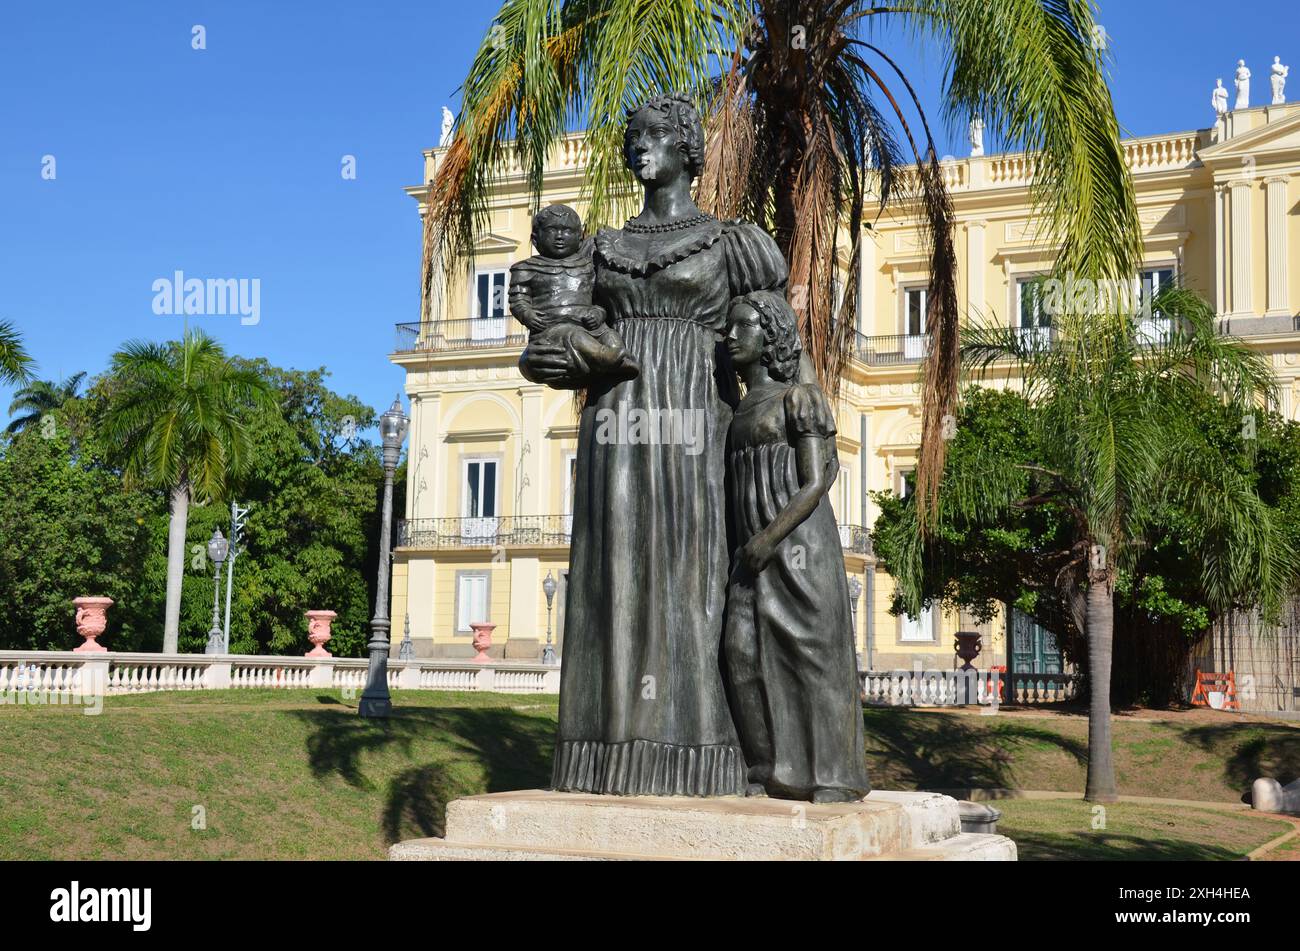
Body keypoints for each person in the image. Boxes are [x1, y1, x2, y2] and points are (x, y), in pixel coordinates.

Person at [523, 94, 793, 797]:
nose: (640, 146)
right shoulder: (600, 249)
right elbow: (545, 340)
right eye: (632, 136)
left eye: (655, 135)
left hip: (696, 430)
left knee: (691, 578)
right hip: (616, 427)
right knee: (614, 573)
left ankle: (703, 753)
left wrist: (787, 433)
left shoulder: (732, 244)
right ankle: (608, 756)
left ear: (687, 148)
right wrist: (573, 358)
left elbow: (777, 342)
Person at [720, 291, 871, 803]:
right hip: (752, 551)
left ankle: (831, 775)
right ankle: (765, 767)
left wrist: (767, 538)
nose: (731, 336)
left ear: (771, 338)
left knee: (812, 658)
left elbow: (815, 482)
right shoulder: (737, 405)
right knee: (740, 653)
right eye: (730, 327)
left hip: (799, 543)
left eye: (742, 327)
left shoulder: (799, 398)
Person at [509, 204, 638, 383]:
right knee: (576, 336)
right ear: (535, 239)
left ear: (579, 239)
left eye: (567, 231)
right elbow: (518, 299)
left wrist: (598, 313)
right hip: (553, 328)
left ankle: (620, 358)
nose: (560, 236)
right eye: (552, 230)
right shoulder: (526, 268)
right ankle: (606, 357)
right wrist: (527, 314)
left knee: (610, 335)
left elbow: (598, 300)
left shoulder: (587, 266)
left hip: (589, 325)